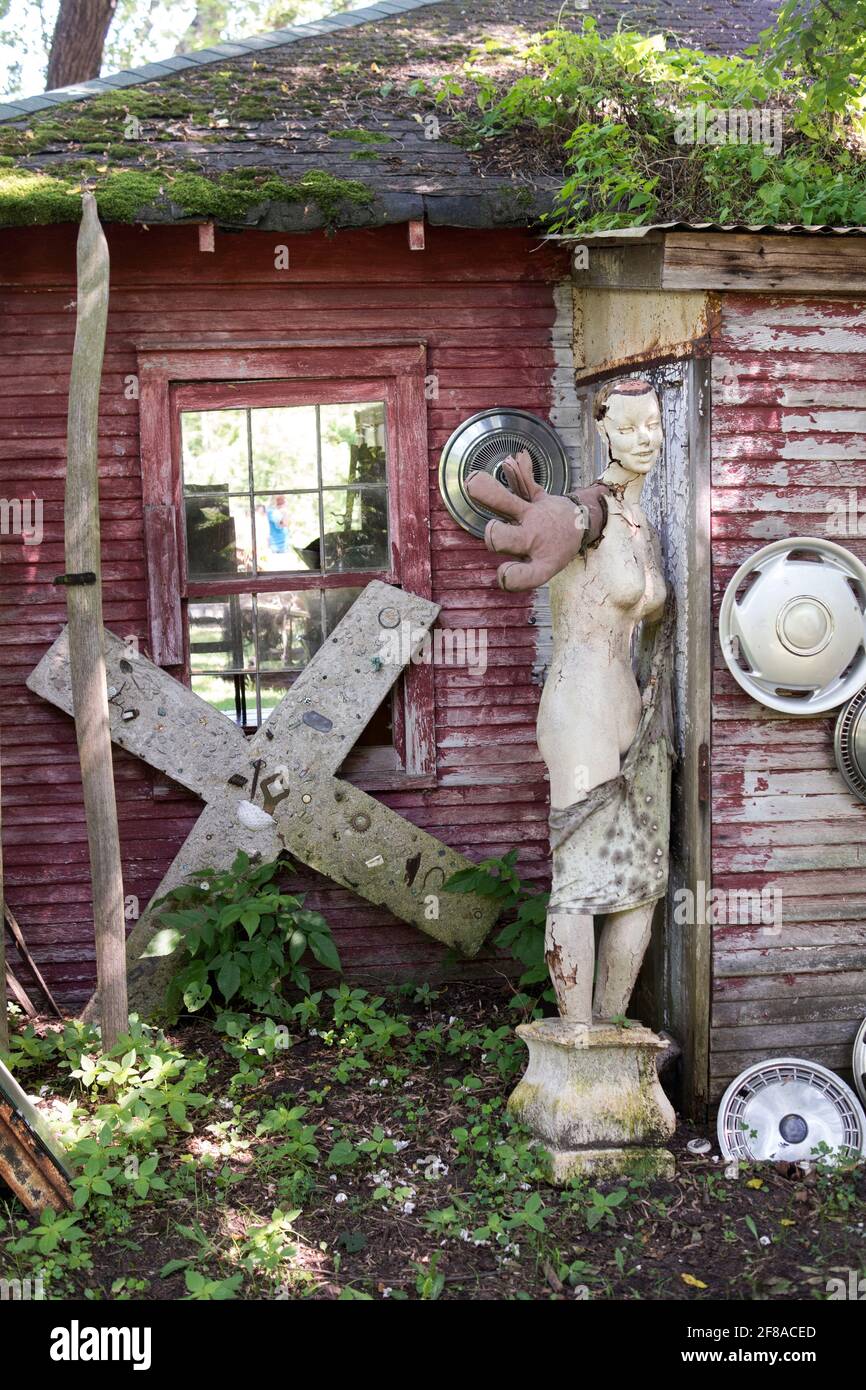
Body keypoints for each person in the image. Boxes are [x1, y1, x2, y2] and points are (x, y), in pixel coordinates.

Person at [466, 379, 674, 1026]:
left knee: (641, 887)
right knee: (581, 883)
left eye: (653, 424)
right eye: (629, 425)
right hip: (577, 710)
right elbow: (579, 515)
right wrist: (565, 516)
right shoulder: (597, 512)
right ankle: (576, 1039)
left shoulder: (645, 524)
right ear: (602, 432)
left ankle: (609, 1032)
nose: (644, 437)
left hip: (630, 716)